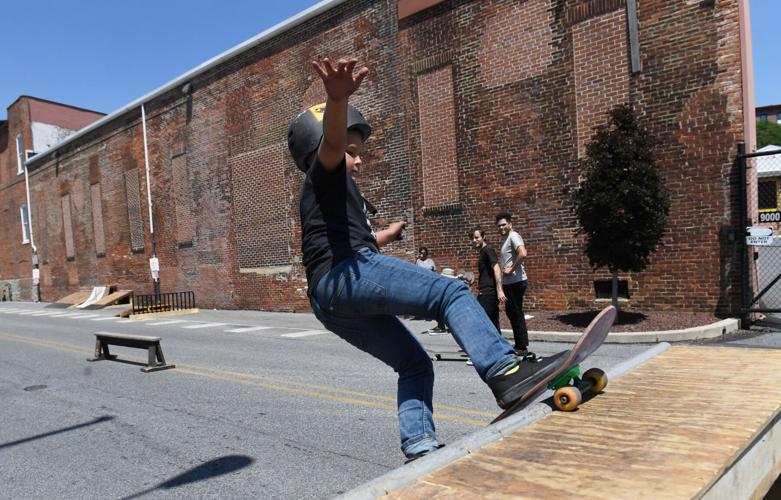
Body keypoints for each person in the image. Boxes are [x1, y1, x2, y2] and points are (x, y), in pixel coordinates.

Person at [287, 56, 563, 461]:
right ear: (320, 152)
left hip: (330, 298)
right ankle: (505, 372)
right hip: (347, 273)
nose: (358, 160)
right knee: (450, 293)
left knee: (415, 364)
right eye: (352, 151)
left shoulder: (332, 196)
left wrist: (384, 235)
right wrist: (337, 100)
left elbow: (342, 239)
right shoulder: (324, 173)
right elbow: (329, 144)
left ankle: (418, 444)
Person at [495, 212, 535, 360]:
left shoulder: (513, 236)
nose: (501, 227)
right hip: (510, 283)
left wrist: (511, 269)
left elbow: (523, 253)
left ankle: (522, 347)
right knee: (512, 313)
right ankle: (520, 344)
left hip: (516, 282)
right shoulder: (506, 239)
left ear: (510, 224)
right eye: (499, 226)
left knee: (516, 313)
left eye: (504, 224)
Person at [471, 228, 505, 332]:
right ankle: (498, 346)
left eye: (477, 237)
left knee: (482, 320)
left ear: (483, 237)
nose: (474, 240)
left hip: (488, 292)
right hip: (486, 290)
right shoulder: (483, 252)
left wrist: (499, 290)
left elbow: (497, 268)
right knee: (492, 321)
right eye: (473, 238)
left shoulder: (488, 250)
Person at [415, 247, 448, 334]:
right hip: (423, 286)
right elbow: (415, 273)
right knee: (432, 305)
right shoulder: (417, 262)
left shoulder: (430, 261)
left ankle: (441, 325)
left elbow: (435, 272)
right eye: (421, 252)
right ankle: (440, 325)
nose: (423, 254)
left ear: (427, 253)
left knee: (436, 305)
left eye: (424, 252)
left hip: (432, 285)